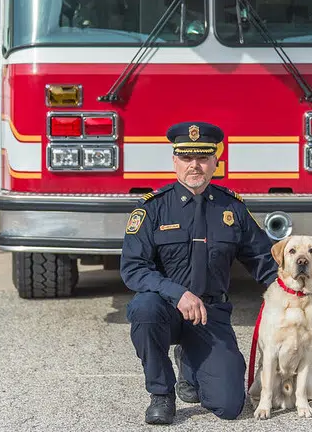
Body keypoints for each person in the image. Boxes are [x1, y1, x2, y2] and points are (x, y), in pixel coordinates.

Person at [120, 121, 279, 425]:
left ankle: (190, 366)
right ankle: (161, 394)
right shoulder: (152, 209)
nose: (195, 166)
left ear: (216, 162)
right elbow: (133, 268)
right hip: (165, 308)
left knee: (230, 405)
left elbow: (263, 259)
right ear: (175, 161)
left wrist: (295, 287)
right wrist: (177, 293)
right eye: (187, 158)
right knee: (144, 308)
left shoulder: (232, 208)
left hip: (211, 313)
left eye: (203, 158)